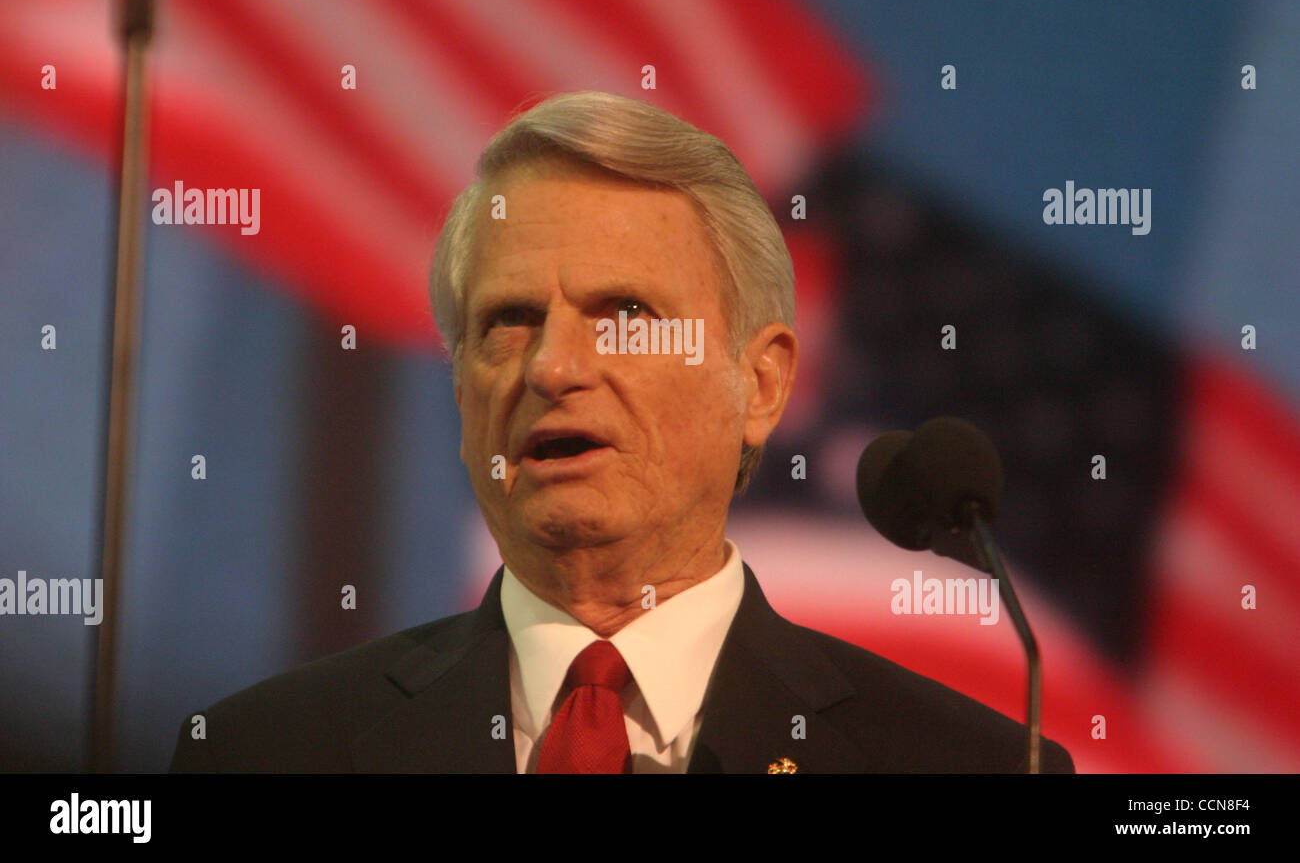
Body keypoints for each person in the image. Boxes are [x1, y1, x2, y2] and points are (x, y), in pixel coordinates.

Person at [170, 91, 1073, 773]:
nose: (551, 367)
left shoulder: (964, 768)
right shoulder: (265, 752)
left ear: (760, 384)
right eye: (508, 321)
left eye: (623, 314)